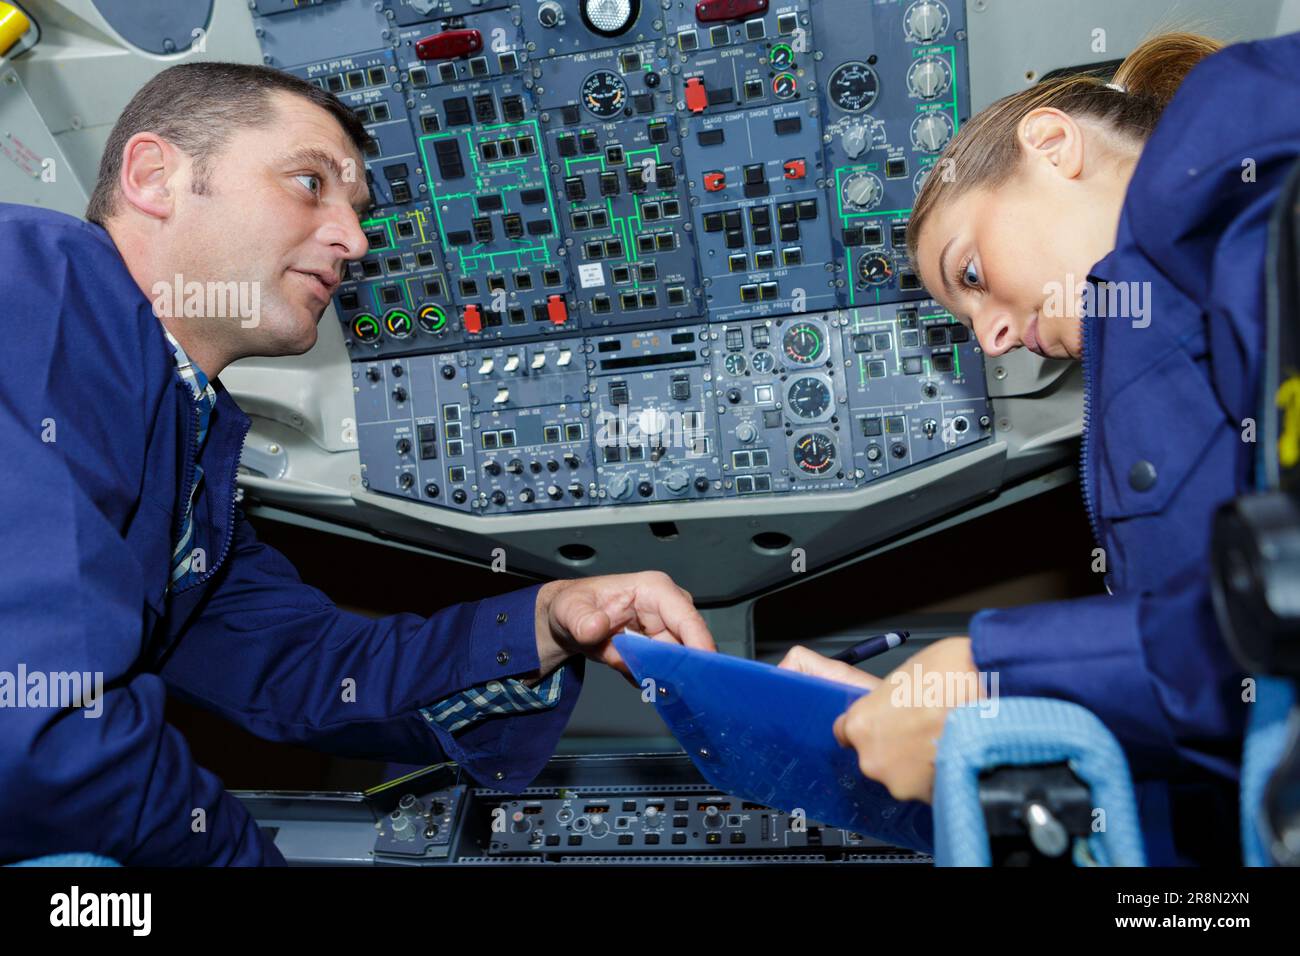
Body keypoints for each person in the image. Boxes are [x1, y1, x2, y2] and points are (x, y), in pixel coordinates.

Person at [0, 62, 713, 866]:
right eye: (310, 182)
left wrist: (547, 619)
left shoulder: (180, 434)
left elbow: (306, 668)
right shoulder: (33, 284)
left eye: (358, 208)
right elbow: (44, 733)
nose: (356, 239)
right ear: (154, 176)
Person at [783, 30, 1300, 864]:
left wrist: (993, 674)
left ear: (1053, 146)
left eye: (973, 274)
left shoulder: (1232, 190)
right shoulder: (1164, 302)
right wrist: (960, 703)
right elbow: (1225, 675)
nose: (990, 341)